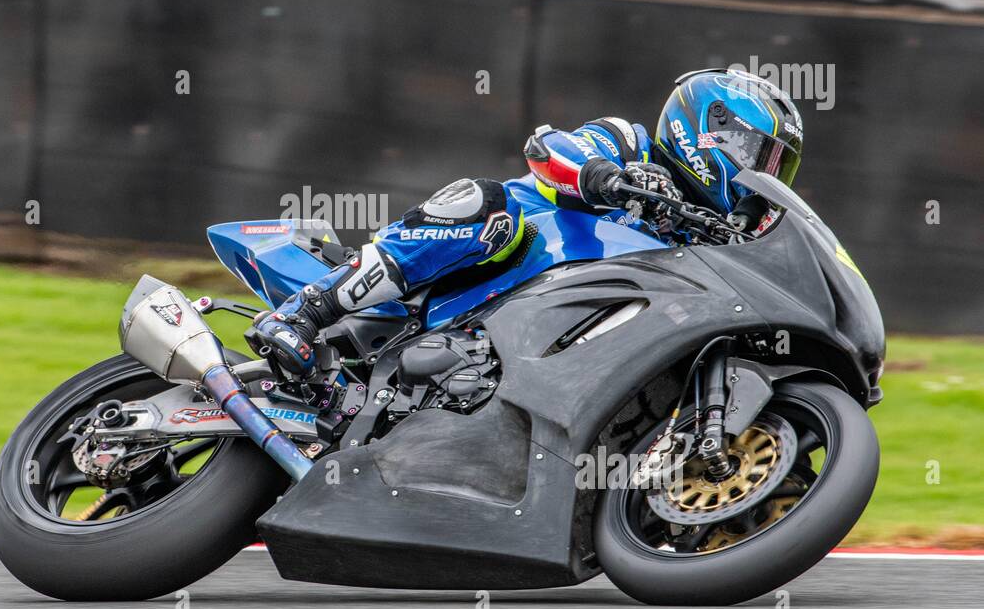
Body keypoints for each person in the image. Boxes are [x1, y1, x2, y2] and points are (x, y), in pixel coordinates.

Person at [247, 68, 804, 376]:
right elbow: (546, 148)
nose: (761, 174)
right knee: (489, 210)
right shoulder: (631, 144)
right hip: (488, 278)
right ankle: (306, 311)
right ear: (710, 128)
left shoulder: (704, 235)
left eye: (776, 167)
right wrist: (604, 177)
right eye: (758, 153)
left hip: (550, 345)